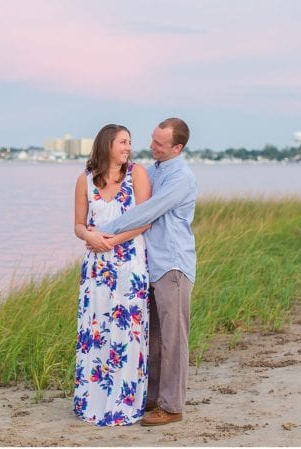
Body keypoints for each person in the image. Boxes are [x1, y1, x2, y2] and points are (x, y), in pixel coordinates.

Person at [90, 117, 196, 427]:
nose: (151, 147)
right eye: (152, 140)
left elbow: (148, 211)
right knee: (153, 335)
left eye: (159, 144)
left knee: (174, 337)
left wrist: (106, 231)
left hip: (173, 264)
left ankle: (172, 405)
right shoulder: (154, 170)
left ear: (177, 147)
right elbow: (122, 183)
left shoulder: (181, 178)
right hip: (149, 264)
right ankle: (151, 398)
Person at [72, 124, 152, 426]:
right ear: (107, 144)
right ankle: (92, 400)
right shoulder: (85, 181)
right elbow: (78, 225)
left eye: (130, 142)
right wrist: (89, 237)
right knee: (96, 331)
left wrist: (111, 241)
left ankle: (125, 403)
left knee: (126, 334)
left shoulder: (137, 175)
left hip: (130, 266)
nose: (128, 147)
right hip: (96, 269)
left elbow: (144, 221)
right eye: (123, 142)